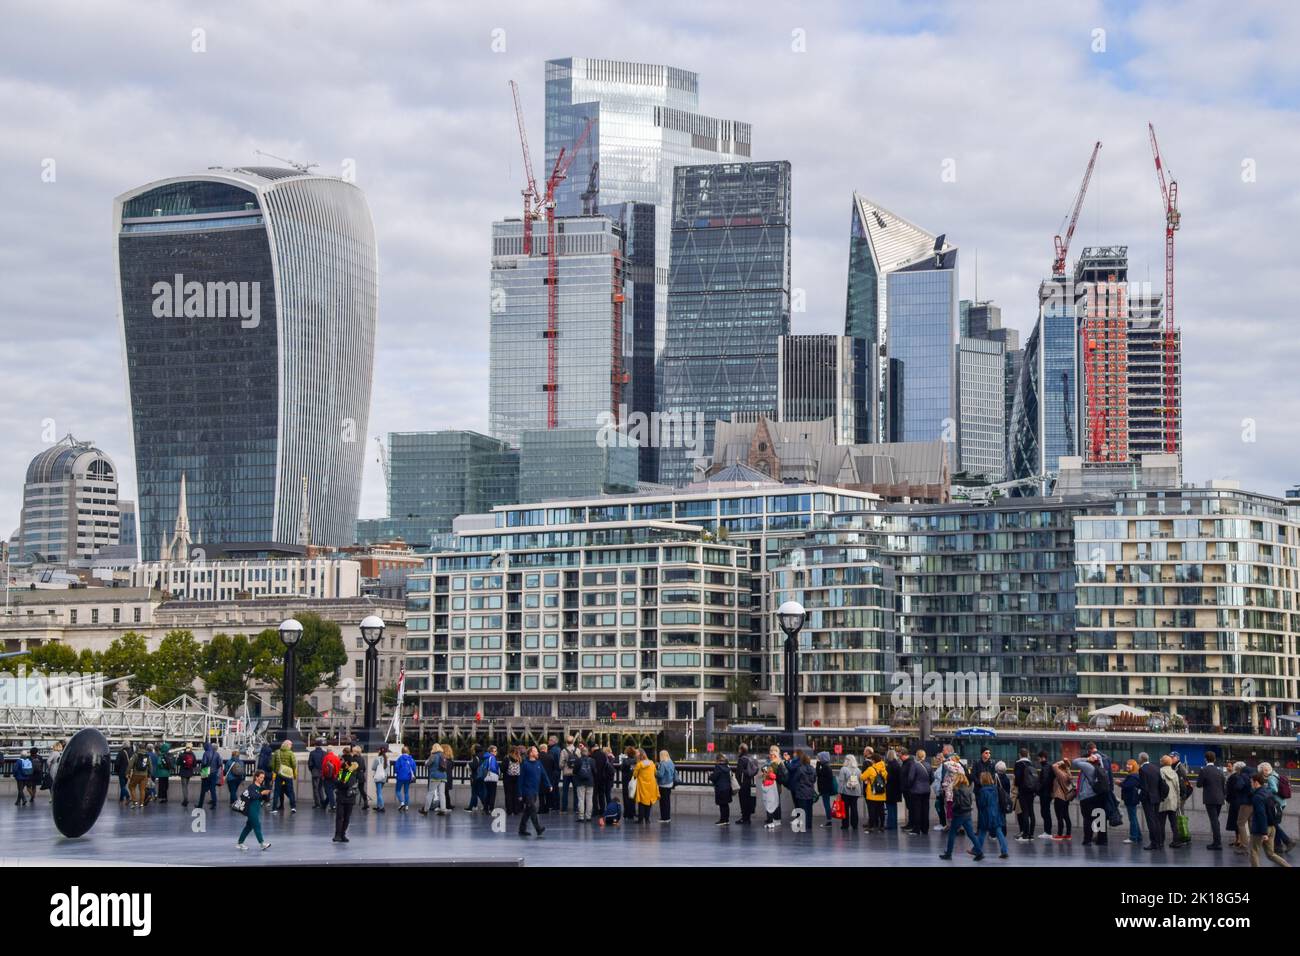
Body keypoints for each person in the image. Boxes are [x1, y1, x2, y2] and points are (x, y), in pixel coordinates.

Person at [1248, 771, 1291, 868]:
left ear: (1256, 782)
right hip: (1272, 827)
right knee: (1270, 854)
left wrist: (1264, 833)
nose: (1251, 784)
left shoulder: (1257, 797)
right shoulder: (1268, 793)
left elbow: (1261, 815)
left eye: (1251, 782)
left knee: (1254, 851)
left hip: (1261, 829)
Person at [939, 772, 984, 861]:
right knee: (971, 834)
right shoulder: (968, 789)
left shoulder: (956, 789)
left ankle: (948, 853)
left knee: (952, 833)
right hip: (967, 813)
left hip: (959, 814)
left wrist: (952, 808)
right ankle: (979, 852)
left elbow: (957, 803)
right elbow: (970, 801)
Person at [1071, 751, 1108, 846]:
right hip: (1099, 795)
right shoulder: (1101, 767)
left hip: (1087, 796)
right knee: (1100, 818)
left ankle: (1087, 840)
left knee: (1088, 819)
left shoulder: (1089, 767)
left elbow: (1075, 762)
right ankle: (1102, 840)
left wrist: (1087, 759)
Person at [1258, 761, 1294, 853]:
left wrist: (1265, 789)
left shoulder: (1270, 778)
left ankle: (1287, 841)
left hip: (1276, 804)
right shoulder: (1275, 774)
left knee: (1273, 823)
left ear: (1265, 770)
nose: (1262, 773)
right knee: (1274, 824)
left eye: (1262, 771)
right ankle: (1278, 846)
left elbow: (1274, 789)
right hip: (1282, 802)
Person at [235, 769, 272, 851]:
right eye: (261, 777)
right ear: (256, 777)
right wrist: (262, 793)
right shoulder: (252, 787)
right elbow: (253, 796)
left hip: (257, 809)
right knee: (257, 825)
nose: (262, 779)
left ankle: (240, 843)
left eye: (263, 777)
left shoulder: (261, 787)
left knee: (249, 827)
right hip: (251, 809)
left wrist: (267, 793)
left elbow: (265, 799)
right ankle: (262, 843)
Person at [516, 745, 550, 837]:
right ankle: (538, 829)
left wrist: (549, 785)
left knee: (528, 811)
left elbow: (544, 775)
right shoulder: (525, 764)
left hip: (535, 791)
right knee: (533, 809)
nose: (537, 753)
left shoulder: (539, 763)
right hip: (527, 792)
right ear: (531, 753)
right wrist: (519, 793)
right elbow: (520, 780)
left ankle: (521, 829)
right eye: (535, 751)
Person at [976, 771, 1009, 859]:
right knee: (999, 832)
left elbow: (981, 804)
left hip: (986, 815)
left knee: (982, 832)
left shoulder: (983, 791)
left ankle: (977, 849)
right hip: (996, 814)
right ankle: (1004, 851)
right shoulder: (995, 788)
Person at [1197, 750, 1226, 850]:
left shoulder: (1204, 770)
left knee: (1214, 821)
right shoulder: (1220, 771)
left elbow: (1199, 784)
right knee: (1215, 820)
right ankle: (1217, 841)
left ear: (1205, 759)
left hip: (1210, 799)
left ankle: (1217, 843)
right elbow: (1223, 785)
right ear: (1214, 759)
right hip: (1220, 798)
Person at [1137, 752, 1164, 850]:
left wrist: (1140, 798)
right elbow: (1161, 783)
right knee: (1156, 820)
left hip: (1148, 799)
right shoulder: (1156, 768)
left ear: (1141, 759)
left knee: (1150, 821)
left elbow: (1144, 787)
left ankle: (1154, 843)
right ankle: (1160, 842)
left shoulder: (1142, 770)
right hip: (1157, 798)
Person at [333, 755, 361, 843]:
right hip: (341, 797)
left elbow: (346, 784)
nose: (340, 761)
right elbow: (336, 782)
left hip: (349, 798)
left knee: (346, 817)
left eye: (342, 760)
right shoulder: (341, 771)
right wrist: (341, 783)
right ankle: (337, 835)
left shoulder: (352, 772)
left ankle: (342, 834)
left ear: (346, 762)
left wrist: (340, 783)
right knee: (339, 817)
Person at [1013, 748, 1039, 841]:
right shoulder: (1032, 764)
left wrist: (1017, 785)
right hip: (1031, 791)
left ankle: (1025, 835)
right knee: (1031, 812)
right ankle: (1031, 834)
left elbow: (1017, 779)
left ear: (1020, 755)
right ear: (1027, 754)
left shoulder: (1018, 764)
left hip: (1023, 791)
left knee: (1025, 812)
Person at [903, 750, 932, 836]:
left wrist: (910, 786)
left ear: (916, 756)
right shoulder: (928, 765)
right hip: (927, 790)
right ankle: (925, 829)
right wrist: (926, 784)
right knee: (925, 810)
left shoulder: (914, 765)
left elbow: (910, 778)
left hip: (916, 791)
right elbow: (932, 778)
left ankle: (916, 829)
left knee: (917, 810)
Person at [1226, 761, 1252, 853]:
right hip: (1251, 802)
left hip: (1240, 802)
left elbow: (1235, 788)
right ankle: (1251, 843)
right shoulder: (1251, 776)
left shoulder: (1237, 777)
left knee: (1240, 823)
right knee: (1249, 824)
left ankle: (1243, 844)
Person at [1158, 755, 1183, 848]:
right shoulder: (1174, 773)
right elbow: (1178, 789)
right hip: (1173, 801)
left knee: (1161, 823)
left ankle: (1160, 842)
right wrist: (1178, 802)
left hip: (1163, 800)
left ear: (1162, 762)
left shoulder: (1160, 771)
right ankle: (1176, 841)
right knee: (1174, 823)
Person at [788, 751, 817, 828]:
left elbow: (795, 779)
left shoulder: (800, 769)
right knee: (809, 809)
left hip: (801, 792)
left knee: (802, 809)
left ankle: (803, 824)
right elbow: (814, 780)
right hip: (810, 792)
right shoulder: (813, 769)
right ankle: (809, 825)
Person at [631, 748, 660, 824]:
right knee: (649, 802)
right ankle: (647, 819)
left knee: (641, 802)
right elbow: (655, 772)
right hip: (651, 785)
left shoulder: (639, 764)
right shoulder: (651, 763)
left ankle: (640, 819)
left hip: (642, 785)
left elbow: (634, 775)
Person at [862, 752, 888, 833]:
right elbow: (886, 780)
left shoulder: (870, 769)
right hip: (882, 793)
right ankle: (882, 826)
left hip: (872, 794)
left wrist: (869, 779)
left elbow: (862, 777)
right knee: (881, 811)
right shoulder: (884, 770)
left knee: (872, 811)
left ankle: (871, 827)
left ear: (873, 760)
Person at [420, 743, 448, 815]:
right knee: (442, 793)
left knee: (430, 792)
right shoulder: (443, 755)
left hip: (435, 777)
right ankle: (443, 809)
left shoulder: (433, 756)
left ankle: (425, 810)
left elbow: (427, 764)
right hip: (443, 776)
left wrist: (426, 761)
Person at [270, 740, 297, 813]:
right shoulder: (290, 753)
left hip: (279, 774)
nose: (291, 746)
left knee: (277, 791)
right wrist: (292, 771)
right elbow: (294, 764)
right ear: (288, 745)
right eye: (291, 745)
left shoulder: (277, 752)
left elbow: (272, 764)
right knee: (291, 791)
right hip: (288, 774)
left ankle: (274, 808)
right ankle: (293, 807)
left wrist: (275, 771)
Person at [1120, 759, 1143, 845]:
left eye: (1130, 765)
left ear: (1134, 766)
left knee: (1132, 818)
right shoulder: (1134, 775)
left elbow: (1127, 786)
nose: (1127, 766)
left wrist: (1120, 784)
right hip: (1132, 799)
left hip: (1131, 799)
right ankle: (1138, 836)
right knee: (1134, 818)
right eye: (1127, 764)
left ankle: (1133, 837)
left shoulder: (1133, 776)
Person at [837, 753, 863, 831]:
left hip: (846, 792)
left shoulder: (843, 769)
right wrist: (861, 791)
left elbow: (841, 782)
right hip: (856, 792)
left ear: (847, 760)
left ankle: (845, 825)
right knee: (854, 808)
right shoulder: (858, 770)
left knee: (845, 809)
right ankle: (854, 825)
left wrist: (839, 792)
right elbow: (860, 781)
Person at [1051, 758, 1074, 840]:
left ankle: (1059, 834)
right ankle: (1068, 834)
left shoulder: (1061, 774)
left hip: (1059, 797)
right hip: (1066, 798)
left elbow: (1053, 766)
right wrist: (1067, 765)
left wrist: (1061, 761)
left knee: (1059, 817)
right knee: (1066, 816)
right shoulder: (1068, 774)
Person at [735, 744, 759, 825]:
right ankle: (747, 818)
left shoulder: (741, 759)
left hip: (742, 783)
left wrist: (737, 782)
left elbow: (739, 772)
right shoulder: (749, 758)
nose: (738, 751)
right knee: (747, 800)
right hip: (748, 782)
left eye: (739, 749)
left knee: (743, 801)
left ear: (741, 750)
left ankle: (744, 818)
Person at [571, 745, 594, 821]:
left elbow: (574, 771)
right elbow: (595, 771)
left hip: (580, 782)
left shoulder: (578, 760)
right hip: (590, 782)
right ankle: (588, 816)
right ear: (588, 753)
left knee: (581, 799)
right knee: (589, 799)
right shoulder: (592, 761)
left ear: (581, 753)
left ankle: (581, 816)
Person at [815, 751, 837, 828]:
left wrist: (817, 764)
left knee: (826, 805)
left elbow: (817, 773)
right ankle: (829, 820)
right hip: (826, 789)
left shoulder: (825, 767)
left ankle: (829, 821)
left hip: (825, 790)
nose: (818, 759)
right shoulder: (826, 766)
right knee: (826, 804)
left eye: (819, 758)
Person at [711, 753, 733, 825]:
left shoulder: (718, 767)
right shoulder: (727, 767)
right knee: (726, 805)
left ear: (718, 759)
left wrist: (710, 776)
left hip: (720, 788)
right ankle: (726, 820)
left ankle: (722, 820)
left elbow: (715, 778)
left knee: (722, 805)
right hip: (727, 788)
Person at [1036, 751, 1054, 839]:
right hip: (1047, 793)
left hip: (1045, 794)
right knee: (1046, 812)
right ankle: (1047, 831)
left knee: (1045, 812)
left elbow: (1045, 781)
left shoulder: (1046, 767)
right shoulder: (1048, 766)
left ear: (1043, 757)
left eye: (1039, 758)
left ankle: (1047, 832)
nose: (1038, 760)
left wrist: (1038, 789)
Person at [199, 742, 222, 810]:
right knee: (213, 789)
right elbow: (220, 763)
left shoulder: (205, 753)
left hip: (205, 772)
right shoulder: (217, 754)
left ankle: (200, 805)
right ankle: (214, 804)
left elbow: (204, 763)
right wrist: (214, 768)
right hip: (214, 773)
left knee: (203, 790)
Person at [884, 748, 902, 831]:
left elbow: (888, 778)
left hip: (890, 789)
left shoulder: (889, 766)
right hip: (896, 789)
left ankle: (890, 824)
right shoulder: (897, 764)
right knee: (894, 807)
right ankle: (894, 823)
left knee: (890, 807)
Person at [655, 749, 676, 823]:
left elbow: (660, 774)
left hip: (663, 785)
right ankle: (668, 817)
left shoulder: (663, 764)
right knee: (667, 801)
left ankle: (664, 818)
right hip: (670, 784)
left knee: (663, 802)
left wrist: (655, 771)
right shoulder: (671, 762)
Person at [127, 744, 151, 808]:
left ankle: (135, 802)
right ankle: (142, 804)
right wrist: (149, 775)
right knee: (142, 789)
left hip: (136, 774)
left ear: (138, 748)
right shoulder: (147, 756)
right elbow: (150, 766)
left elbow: (130, 765)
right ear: (145, 748)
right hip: (144, 775)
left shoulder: (135, 755)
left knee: (131, 786)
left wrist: (127, 772)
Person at [559, 736, 577, 814]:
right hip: (575, 773)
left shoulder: (563, 751)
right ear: (573, 742)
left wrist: (563, 767)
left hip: (566, 773)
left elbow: (561, 764)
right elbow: (580, 762)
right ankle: (576, 808)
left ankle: (564, 809)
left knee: (565, 791)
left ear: (566, 742)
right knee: (576, 791)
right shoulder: (578, 750)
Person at [320, 746, 341, 811]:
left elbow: (323, 767)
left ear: (327, 751)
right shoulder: (337, 757)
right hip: (335, 776)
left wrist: (322, 776)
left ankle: (333, 806)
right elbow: (339, 768)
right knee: (330, 791)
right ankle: (324, 804)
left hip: (328, 777)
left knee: (329, 792)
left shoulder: (326, 757)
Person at [504, 746, 522, 815]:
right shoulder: (519, 758)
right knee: (516, 794)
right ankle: (516, 810)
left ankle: (509, 810)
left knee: (508, 794)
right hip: (517, 778)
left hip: (508, 778)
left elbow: (503, 768)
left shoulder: (507, 758)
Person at [308, 739, 326, 809]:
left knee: (315, 789)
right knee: (320, 788)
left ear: (315, 745)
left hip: (315, 772)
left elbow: (310, 764)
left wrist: (312, 770)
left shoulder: (312, 753)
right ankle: (322, 802)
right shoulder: (324, 753)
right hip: (322, 772)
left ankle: (317, 804)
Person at [370, 746, 389, 812]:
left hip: (378, 777)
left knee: (379, 792)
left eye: (378, 750)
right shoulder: (387, 759)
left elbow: (373, 767)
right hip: (384, 777)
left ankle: (382, 806)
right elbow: (387, 769)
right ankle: (378, 806)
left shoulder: (377, 759)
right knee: (379, 791)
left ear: (380, 751)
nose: (377, 751)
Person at [466, 744, 483, 814]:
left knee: (475, 792)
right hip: (480, 776)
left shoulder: (476, 757)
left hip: (475, 776)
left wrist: (468, 764)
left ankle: (470, 807)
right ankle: (475, 806)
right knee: (478, 792)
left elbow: (474, 766)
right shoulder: (482, 756)